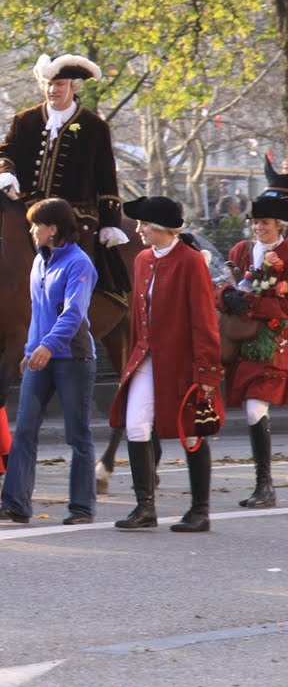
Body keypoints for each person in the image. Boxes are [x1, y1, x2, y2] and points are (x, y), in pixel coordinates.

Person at [109, 196, 223, 532]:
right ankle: (145, 507)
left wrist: (206, 370)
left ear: (161, 229)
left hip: (182, 361)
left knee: (192, 432)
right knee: (136, 425)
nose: (139, 230)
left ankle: (200, 510)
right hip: (146, 356)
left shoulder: (190, 261)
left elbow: (204, 319)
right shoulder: (143, 259)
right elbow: (137, 317)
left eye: (144, 225)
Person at [0, 198, 98, 525]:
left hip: (73, 358)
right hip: (40, 357)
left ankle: (82, 508)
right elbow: (37, 312)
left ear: (54, 229)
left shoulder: (79, 264)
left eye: (37, 225)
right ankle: (16, 504)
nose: (32, 230)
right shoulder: (39, 262)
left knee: (78, 435)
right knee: (24, 432)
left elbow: (73, 313)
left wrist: (46, 346)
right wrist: (31, 349)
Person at [0, 53, 130, 296]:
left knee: (85, 268)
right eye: (48, 84)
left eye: (59, 84)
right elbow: (4, 153)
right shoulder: (26, 120)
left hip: (74, 216)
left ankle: (85, 313)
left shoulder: (94, 127)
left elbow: (107, 179)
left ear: (73, 87)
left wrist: (110, 223)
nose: (52, 89)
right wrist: (5, 173)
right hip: (26, 209)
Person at [219, 177, 288, 508]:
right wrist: (228, 296)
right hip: (245, 343)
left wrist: (255, 305)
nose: (259, 227)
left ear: (280, 225)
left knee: (255, 405)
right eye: (256, 222)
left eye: (266, 222)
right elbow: (222, 285)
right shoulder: (240, 251)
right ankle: (265, 485)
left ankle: (266, 486)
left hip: (277, 342)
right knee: (251, 407)